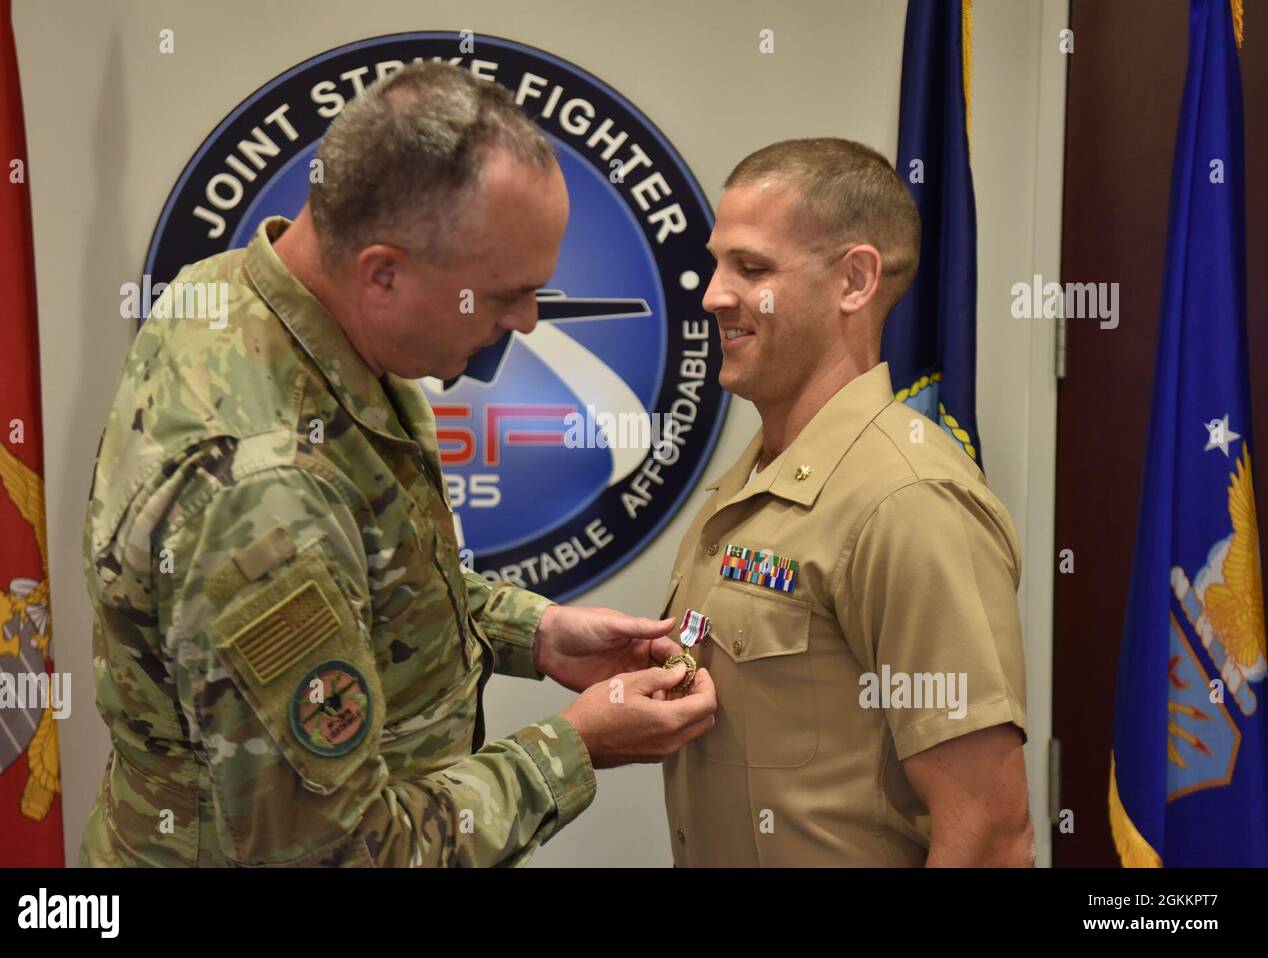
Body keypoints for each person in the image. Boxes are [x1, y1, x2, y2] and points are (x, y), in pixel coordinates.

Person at [80, 62, 715, 868]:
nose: (526, 322)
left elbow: (368, 578)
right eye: (503, 295)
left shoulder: (247, 293)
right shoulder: (266, 497)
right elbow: (339, 854)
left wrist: (538, 634)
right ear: (383, 272)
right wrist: (577, 747)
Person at [659, 138, 1031, 866]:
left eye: (752, 267)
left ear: (855, 281)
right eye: (716, 263)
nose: (712, 294)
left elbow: (989, 832)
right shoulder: (750, 485)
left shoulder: (907, 500)